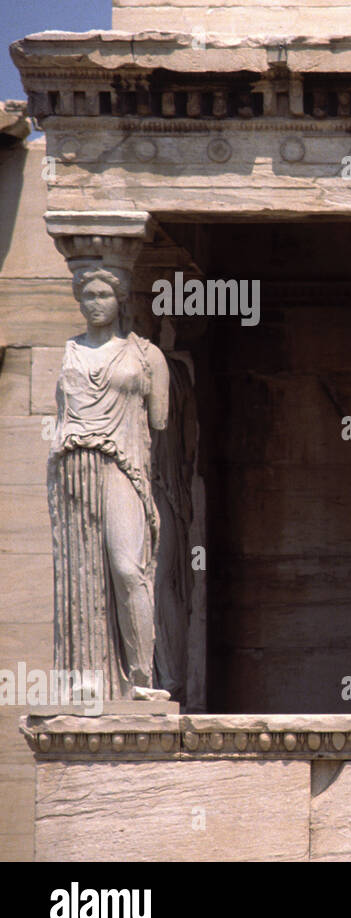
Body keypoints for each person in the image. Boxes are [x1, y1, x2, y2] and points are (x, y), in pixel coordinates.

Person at [48, 265, 170, 701]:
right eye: (87, 295)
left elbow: (158, 420)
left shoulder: (146, 355)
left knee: (126, 568)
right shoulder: (69, 352)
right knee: (83, 572)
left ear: (120, 299)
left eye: (102, 294)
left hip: (124, 466)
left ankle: (141, 678)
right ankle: (88, 678)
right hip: (73, 467)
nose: (94, 303)